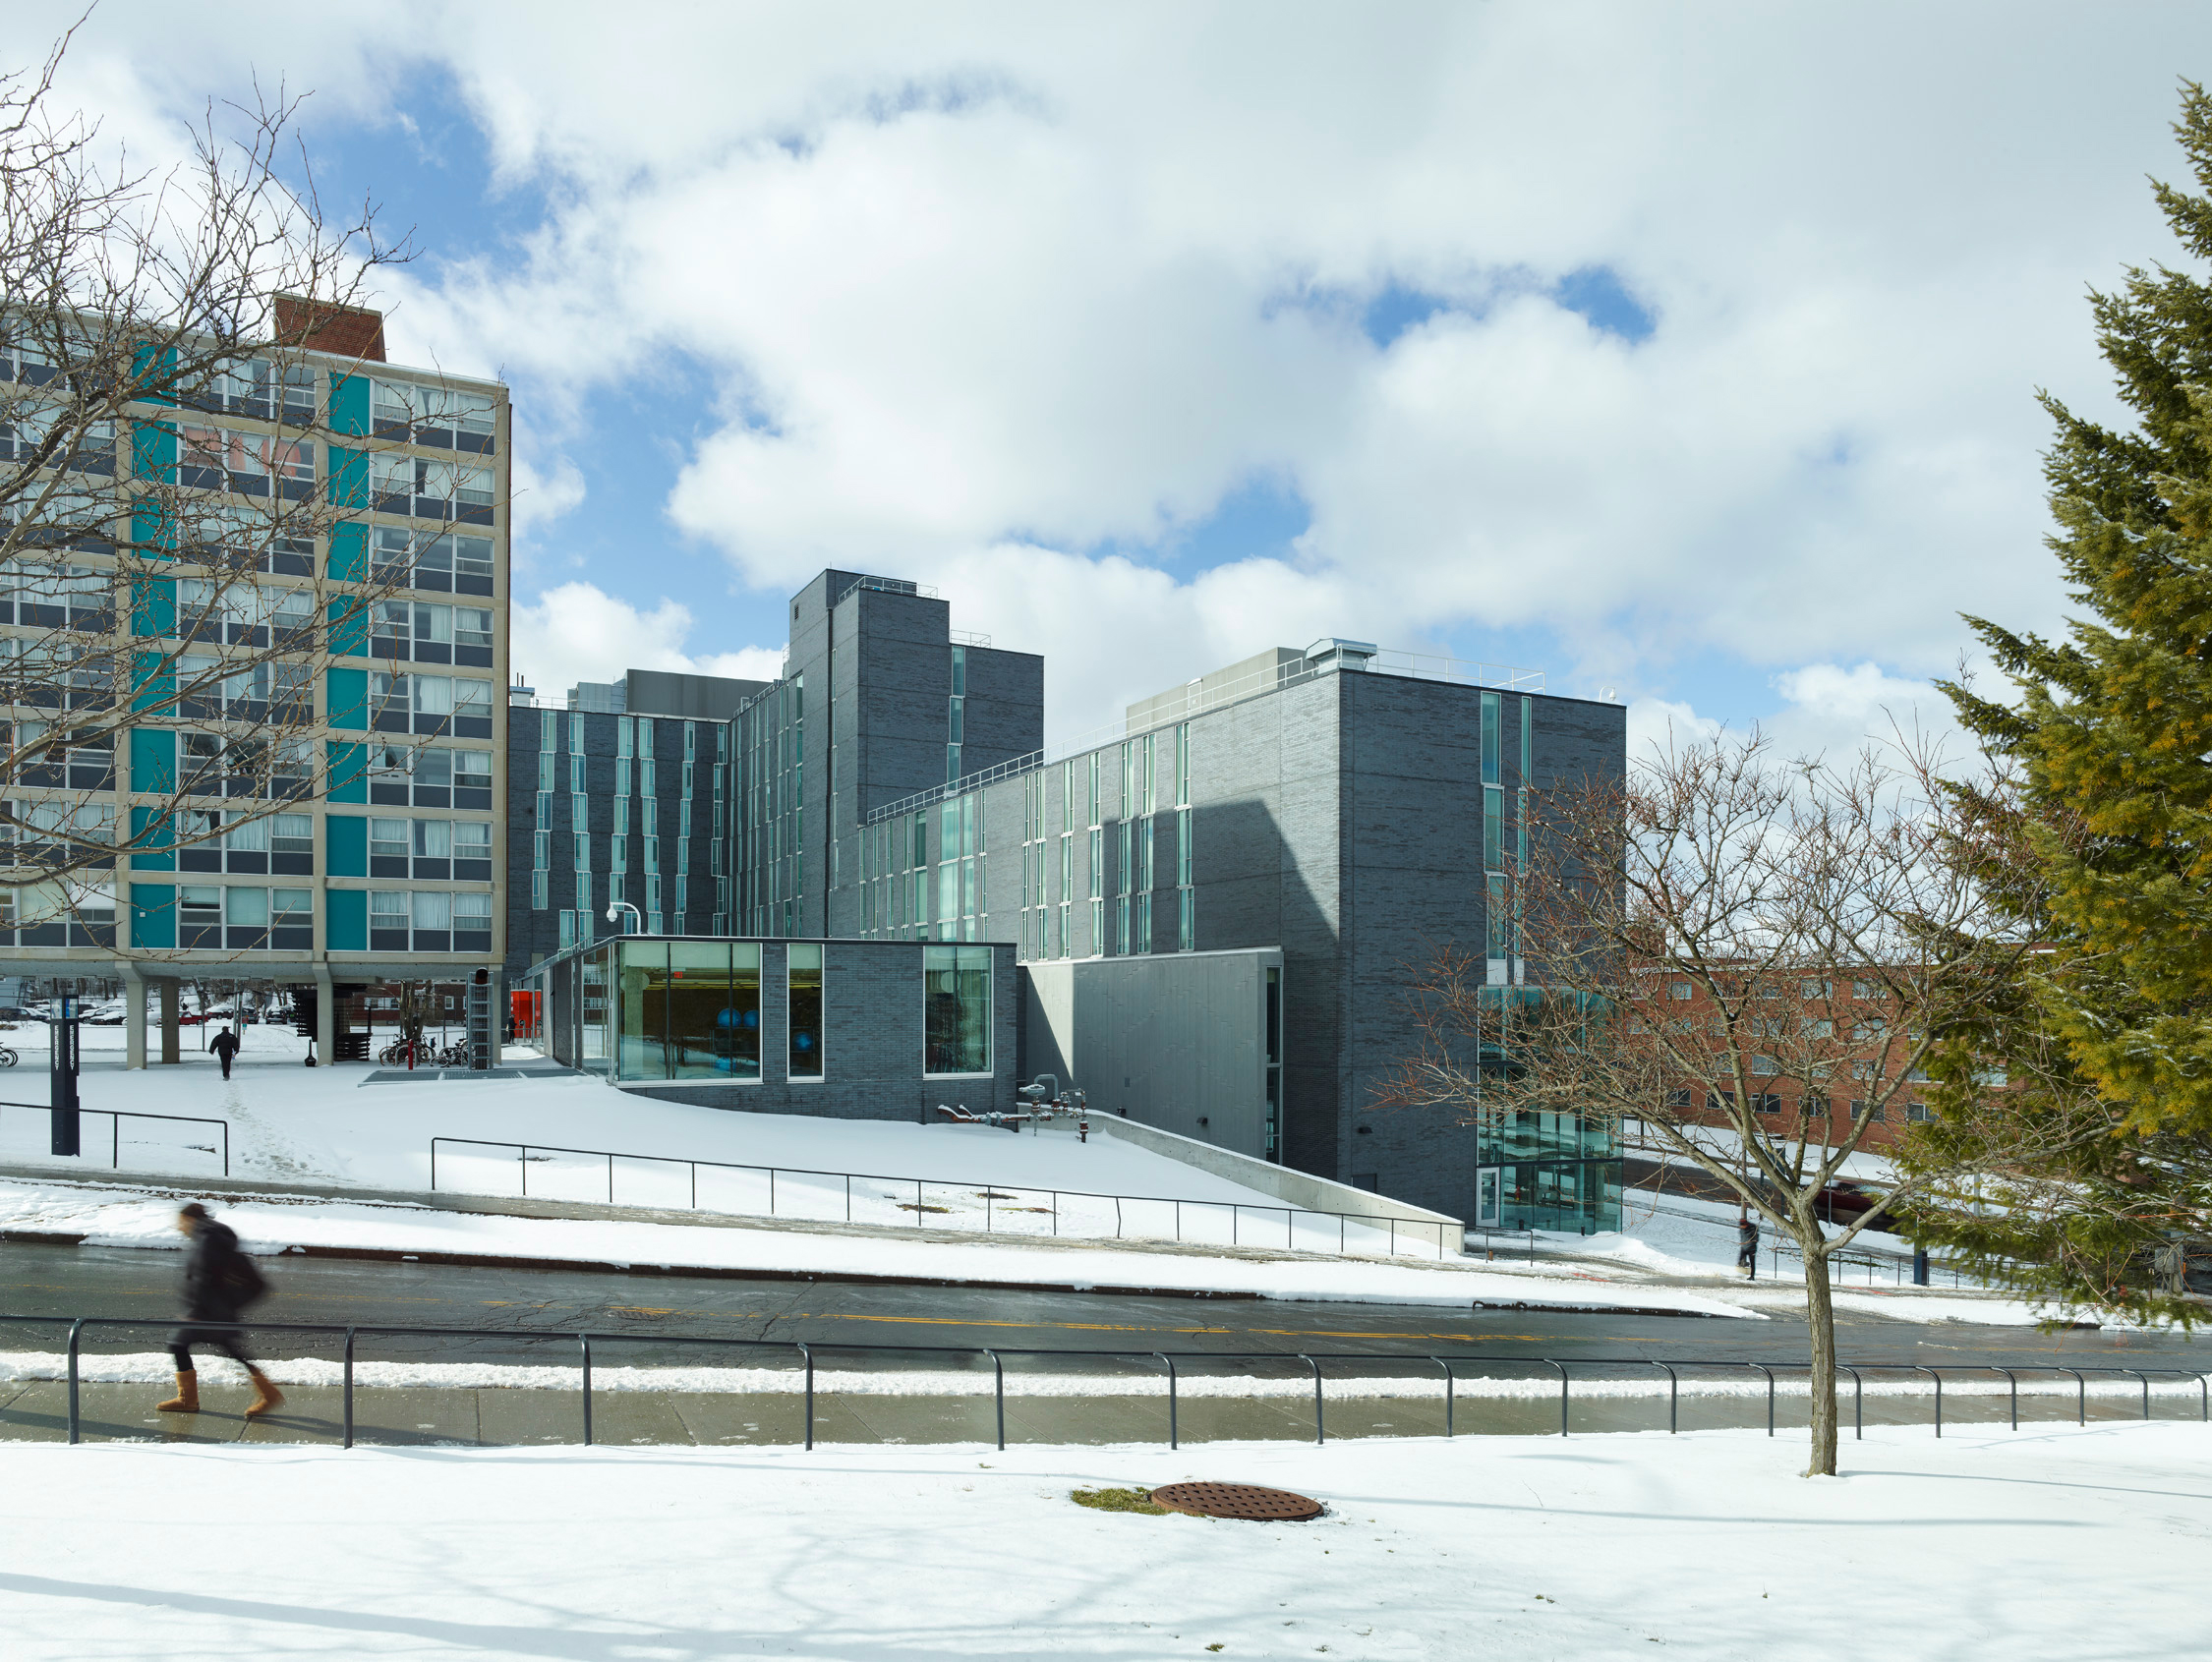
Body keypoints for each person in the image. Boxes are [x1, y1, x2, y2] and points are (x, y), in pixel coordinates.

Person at [156, 1203, 282, 1418]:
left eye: (180, 1222)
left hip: (206, 1311)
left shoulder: (208, 1239)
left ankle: (188, 1400)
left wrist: (195, 1311)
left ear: (189, 1219)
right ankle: (268, 1393)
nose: (179, 1227)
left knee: (178, 1344)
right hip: (215, 1309)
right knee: (232, 1351)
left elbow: (204, 1276)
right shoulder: (211, 1237)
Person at [1737, 1212, 1760, 1281]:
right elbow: (1742, 1236)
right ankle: (1741, 1269)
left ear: (1746, 1225)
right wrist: (1742, 1243)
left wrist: (1751, 1242)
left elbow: (1756, 1238)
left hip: (1751, 1248)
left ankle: (1752, 1276)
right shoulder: (1741, 1229)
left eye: (1742, 1226)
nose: (1741, 1227)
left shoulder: (1753, 1228)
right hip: (1744, 1247)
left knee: (1752, 1263)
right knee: (1740, 1259)